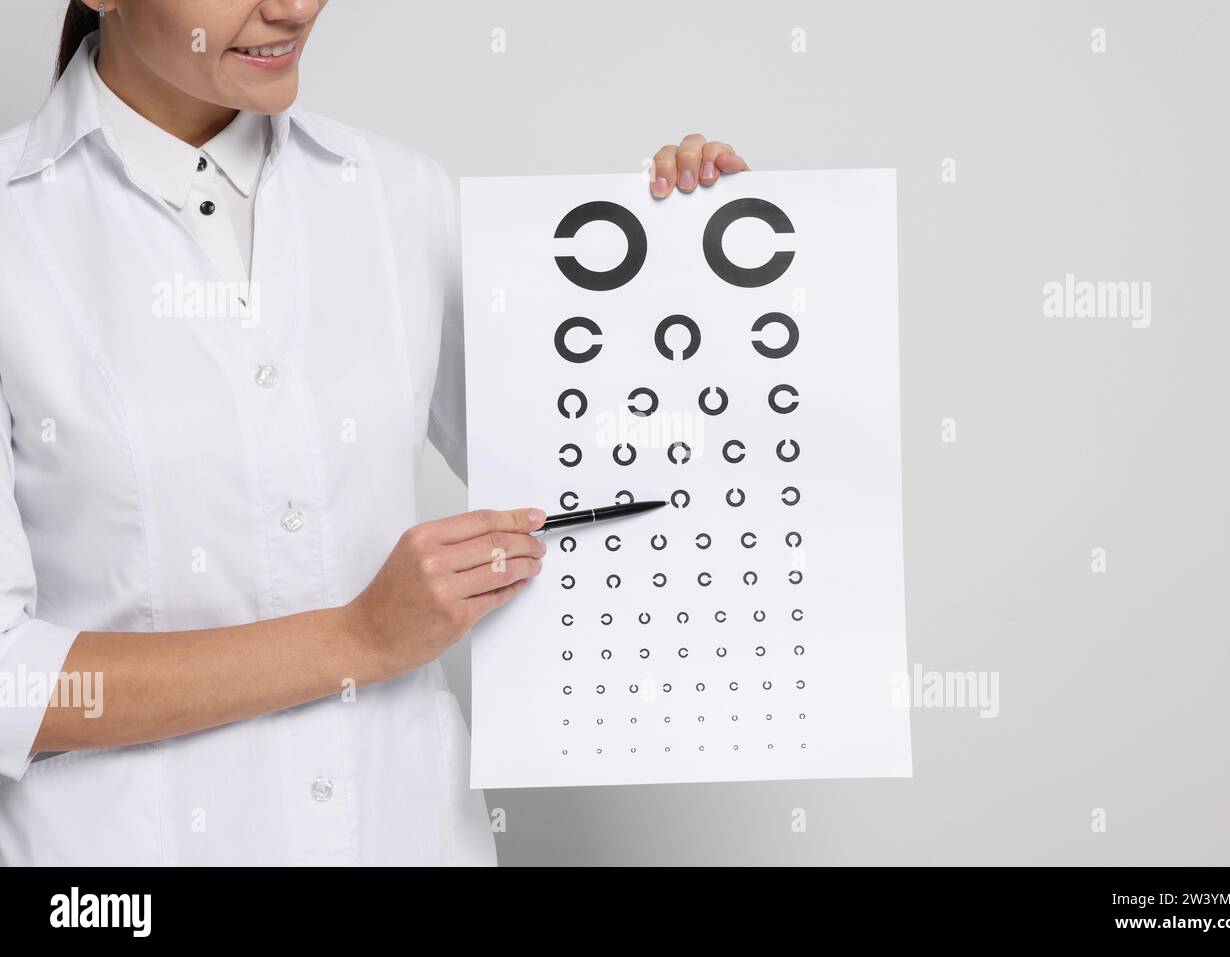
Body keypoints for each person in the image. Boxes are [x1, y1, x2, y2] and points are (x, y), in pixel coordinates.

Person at [0, 0, 750, 866]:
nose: (292, 7)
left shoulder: (400, 195)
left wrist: (690, 271)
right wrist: (358, 639)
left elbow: (601, 484)